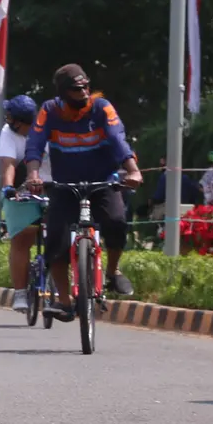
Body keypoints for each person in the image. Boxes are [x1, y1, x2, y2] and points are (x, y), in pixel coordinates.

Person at [25, 64, 143, 321]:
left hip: (102, 182)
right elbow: (34, 144)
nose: (85, 93)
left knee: (116, 221)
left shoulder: (102, 107)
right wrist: (33, 176)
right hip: (65, 186)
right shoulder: (49, 110)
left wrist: (132, 171)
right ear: (64, 93)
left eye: (86, 86)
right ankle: (65, 302)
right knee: (54, 238)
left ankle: (112, 272)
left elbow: (117, 138)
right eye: (78, 89)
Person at [0, 95, 52, 312]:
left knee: (62, 236)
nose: (7, 118)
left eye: (10, 115)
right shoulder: (7, 132)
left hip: (53, 185)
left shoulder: (47, 131)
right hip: (22, 189)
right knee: (22, 239)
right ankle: (20, 293)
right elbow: (8, 164)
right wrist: (9, 188)